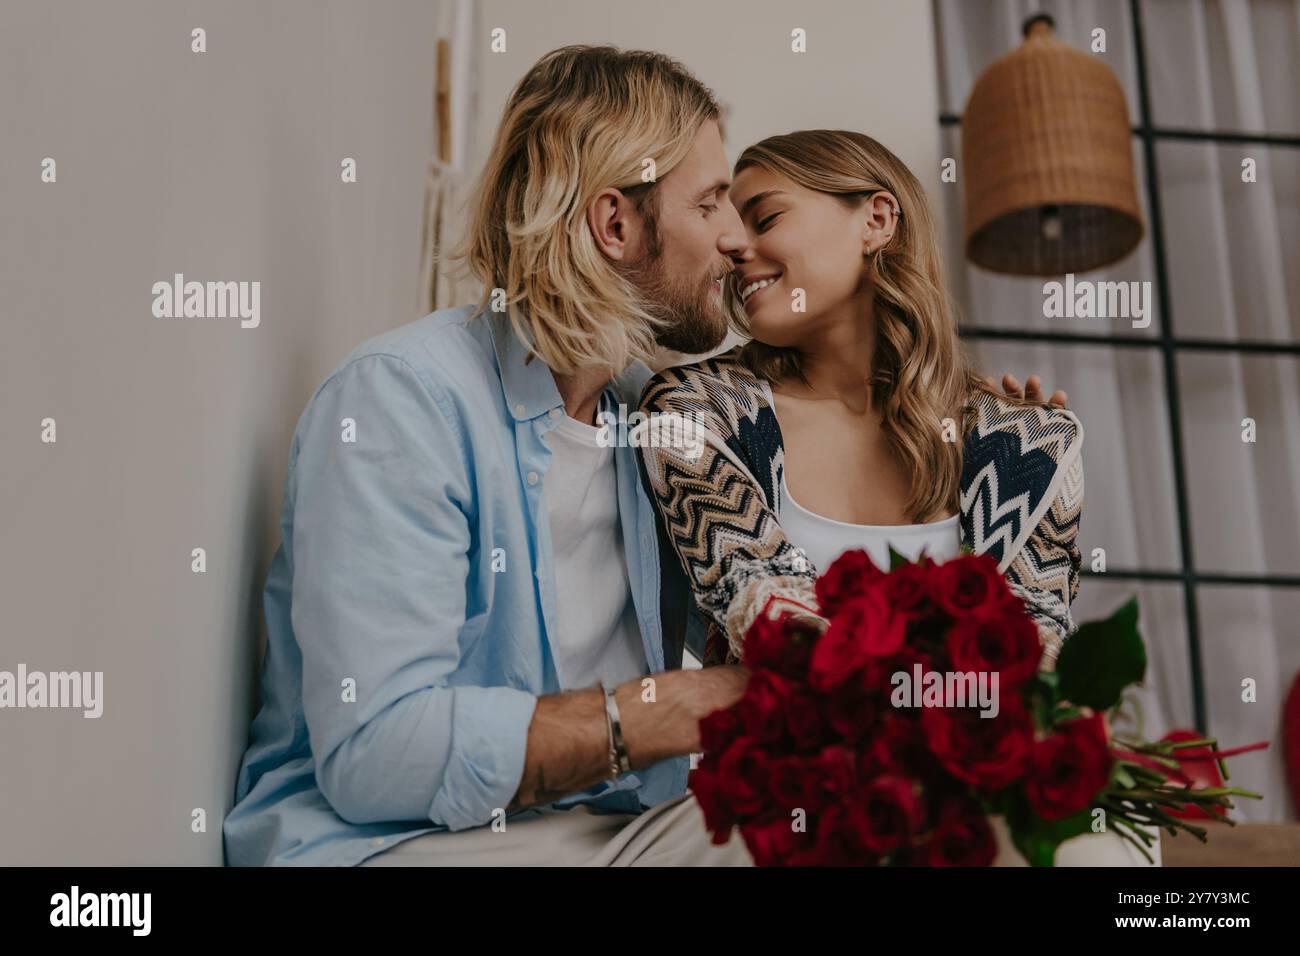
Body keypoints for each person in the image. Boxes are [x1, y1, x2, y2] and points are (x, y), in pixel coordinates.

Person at [223, 47, 1061, 867]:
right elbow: (377, 753)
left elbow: (807, 443)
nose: (735, 241)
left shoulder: (655, 416)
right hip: (389, 842)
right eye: (711, 206)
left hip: (600, 827)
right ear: (616, 223)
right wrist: (681, 706)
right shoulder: (402, 402)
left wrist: (973, 414)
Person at [635, 129, 1159, 866]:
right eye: (727, 222)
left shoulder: (1033, 443)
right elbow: (774, 631)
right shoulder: (693, 413)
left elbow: (1038, 662)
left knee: (1108, 848)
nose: (734, 245)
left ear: (877, 219)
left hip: (975, 781)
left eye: (765, 216)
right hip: (799, 789)